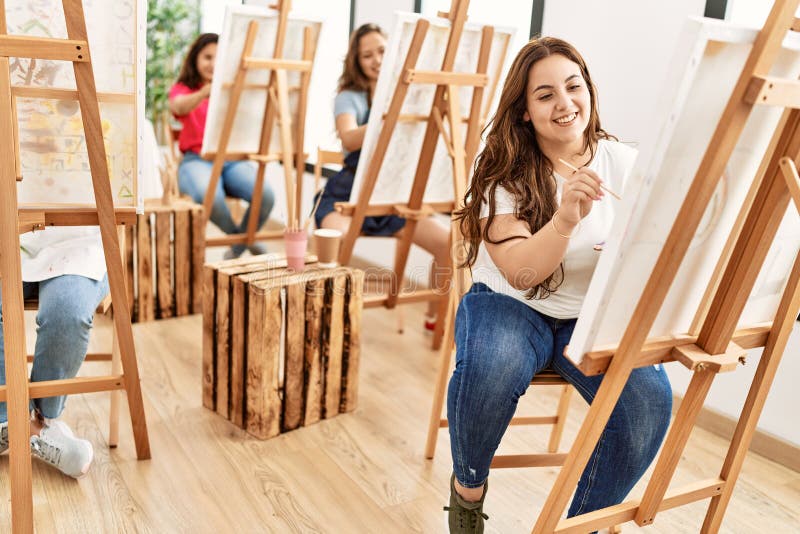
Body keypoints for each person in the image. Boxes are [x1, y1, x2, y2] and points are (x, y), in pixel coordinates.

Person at [443, 37, 672, 532]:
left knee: (649, 402)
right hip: (509, 303)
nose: (565, 104)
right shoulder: (501, 170)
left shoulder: (624, 163)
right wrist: (565, 218)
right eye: (545, 95)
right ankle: (467, 489)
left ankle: (580, 526)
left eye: (574, 86)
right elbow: (522, 274)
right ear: (524, 111)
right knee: (493, 366)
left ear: (589, 89)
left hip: (591, 314)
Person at [314, 23, 451, 328]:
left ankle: (434, 317)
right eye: (367, 56)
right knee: (332, 244)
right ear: (357, 62)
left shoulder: (412, 93)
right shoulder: (351, 96)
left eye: (382, 51)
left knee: (448, 242)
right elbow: (348, 138)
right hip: (348, 193)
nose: (376, 60)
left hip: (393, 196)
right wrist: (387, 117)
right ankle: (326, 320)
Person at [0, 227, 108, 478]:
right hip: (7, 237)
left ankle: (40, 421)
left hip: (79, 244)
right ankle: (13, 423)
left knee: (66, 313)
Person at [169, 33, 275, 259]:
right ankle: (244, 241)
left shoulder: (233, 90)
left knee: (266, 195)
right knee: (209, 198)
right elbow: (178, 107)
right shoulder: (183, 88)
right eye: (207, 57)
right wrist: (204, 92)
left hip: (232, 161)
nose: (213, 64)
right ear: (195, 58)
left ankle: (236, 249)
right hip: (196, 160)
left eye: (219, 58)